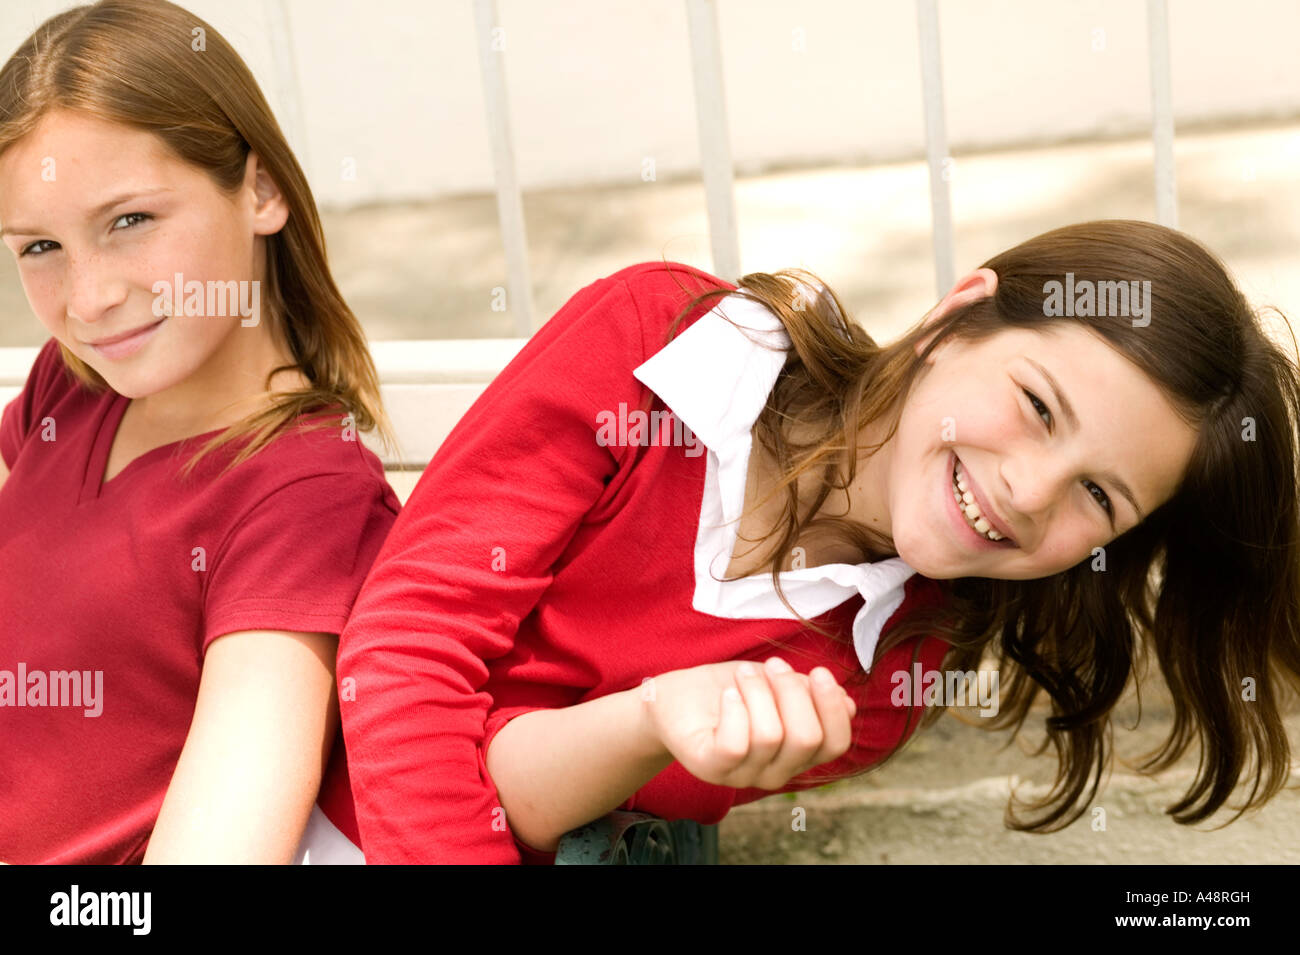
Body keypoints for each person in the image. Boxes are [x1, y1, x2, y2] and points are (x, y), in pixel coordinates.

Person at [338, 220, 1300, 864]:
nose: (1028, 491)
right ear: (956, 317)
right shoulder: (669, 349)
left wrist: (650, 718)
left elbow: (533, 801)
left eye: (1098, 493)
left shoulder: (874, 683)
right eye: (1037, 406)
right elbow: (407, 648)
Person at [0, 0, 399, 864]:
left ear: (261, 190)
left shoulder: (303, 498)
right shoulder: (69, 392)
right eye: (38, 247)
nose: (89, 297)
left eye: (130, 221)